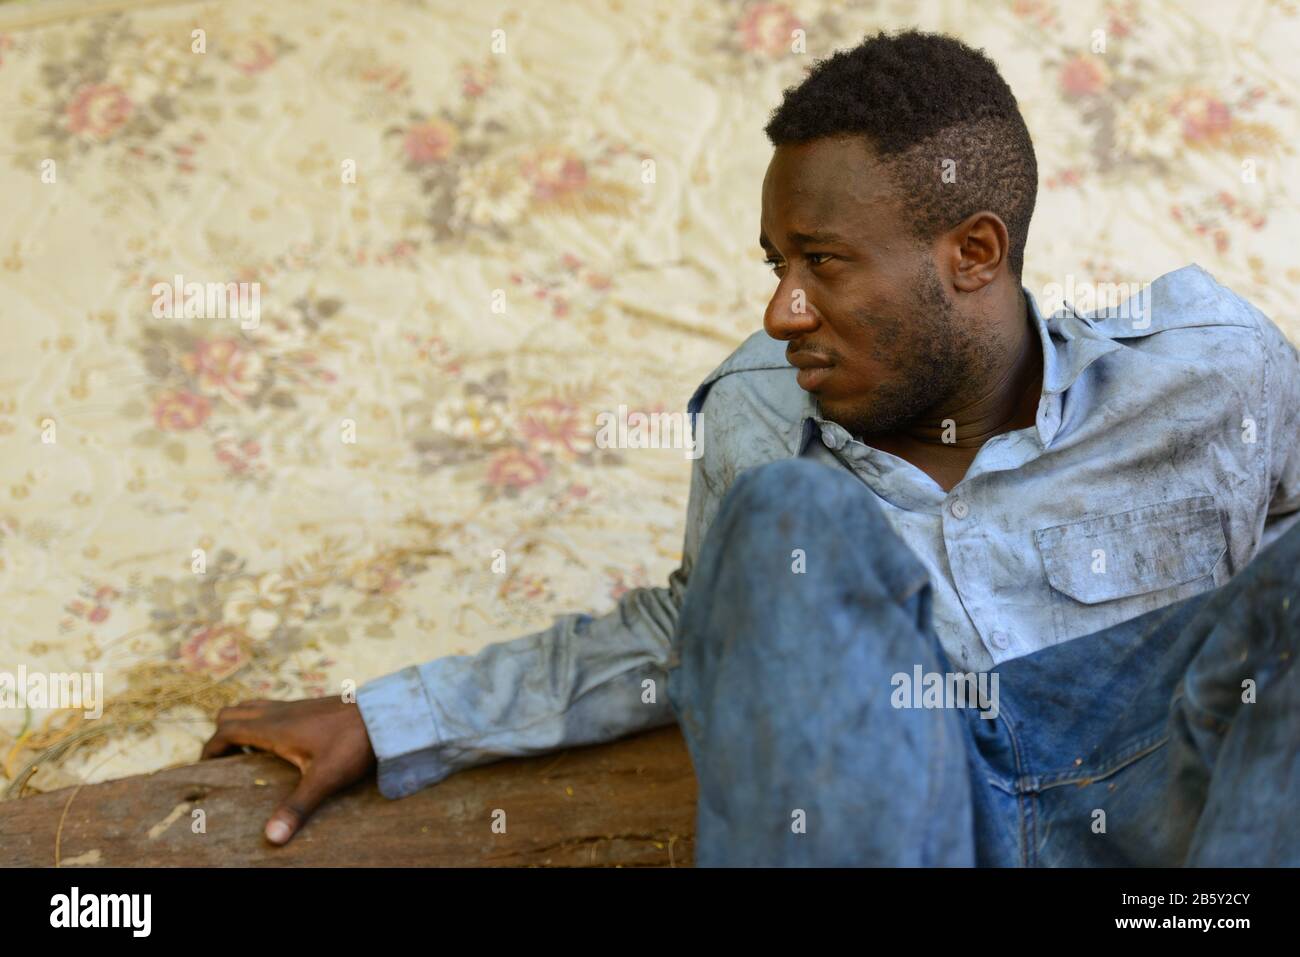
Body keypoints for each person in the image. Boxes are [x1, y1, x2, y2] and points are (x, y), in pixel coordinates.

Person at [202, 29, 1300, 865]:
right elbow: (692, 628)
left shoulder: (1208, 369)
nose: (783, 310)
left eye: (822, 263)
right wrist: (389, 718)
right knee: (786, 522)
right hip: (912, 829)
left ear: (973, 252)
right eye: (774, 262)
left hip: (1182, 863)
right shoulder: (763, 411)